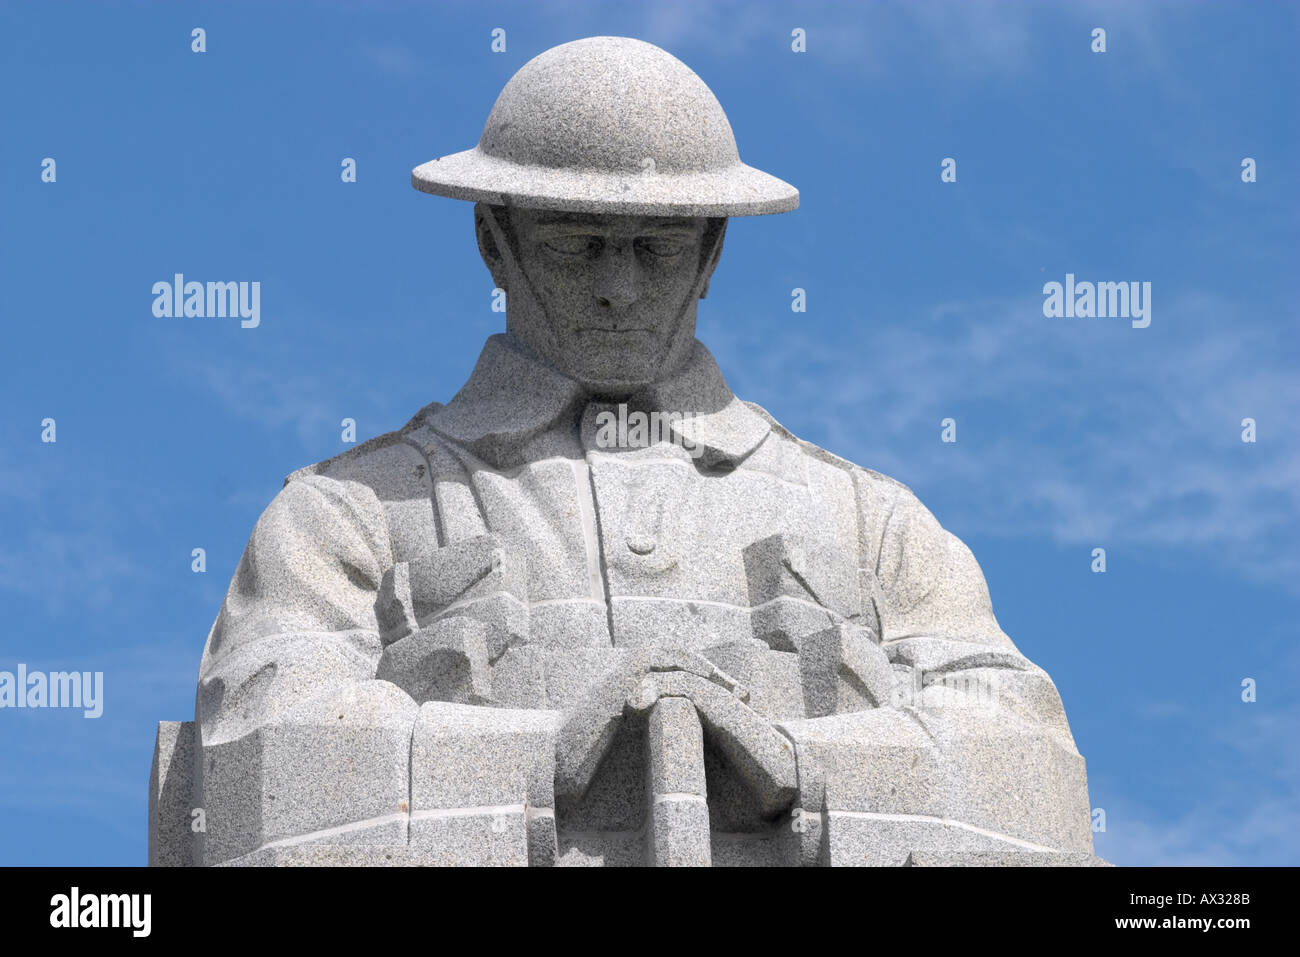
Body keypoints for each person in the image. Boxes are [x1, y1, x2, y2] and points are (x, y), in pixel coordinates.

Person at [170, 36, 1099, 867]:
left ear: (712, 251)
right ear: (495, 240)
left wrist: (800, 764)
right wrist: (545, 757)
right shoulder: (348, 510)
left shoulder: (869, 521)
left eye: (653, 247)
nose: (618, 286)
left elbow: (1022, 753)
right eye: (578, 245)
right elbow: (262, 753)